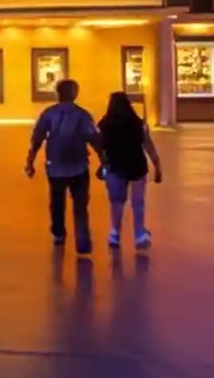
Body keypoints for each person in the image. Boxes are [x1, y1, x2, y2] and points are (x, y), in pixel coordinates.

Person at [26, 79, 102, 255]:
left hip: (56, 165)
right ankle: (82, 239)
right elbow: (93, 138)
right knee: (80, 204)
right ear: (75, 94)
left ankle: (59, 233)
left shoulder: (49, 113)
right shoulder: (82, 115)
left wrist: (30, 160)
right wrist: (103, 158)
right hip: (78, 165)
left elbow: (37, 138)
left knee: (57, 200)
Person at [97, 92, 164, 250]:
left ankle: (114, 233)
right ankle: (139, 234)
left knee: (117, 202)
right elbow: (149, 146)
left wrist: (103, 162)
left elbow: (99, 145)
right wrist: (157, 166)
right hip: (136, 165)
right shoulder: (137, 124)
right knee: (138, 202)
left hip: (115, 166)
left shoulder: (105, 124)